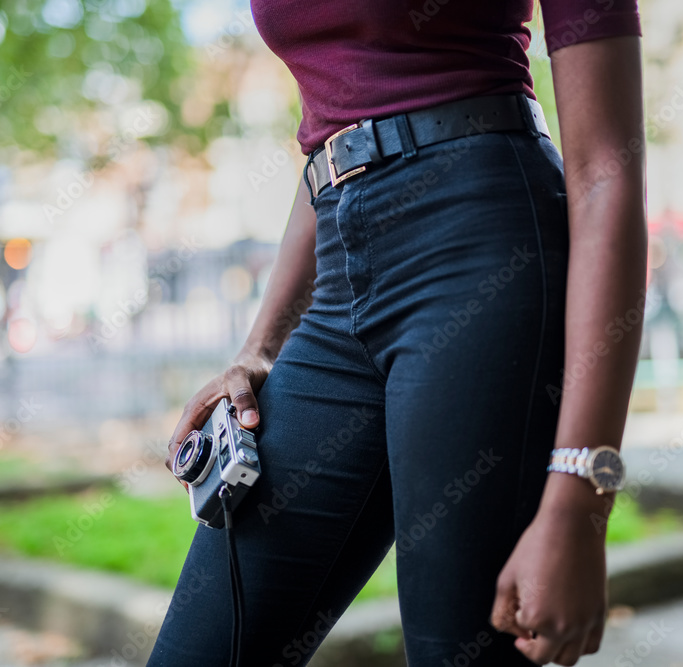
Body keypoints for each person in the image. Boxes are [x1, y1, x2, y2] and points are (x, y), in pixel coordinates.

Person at [149, 0, 647, 664]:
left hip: (480, 255)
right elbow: (336, 133)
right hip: (335, 284)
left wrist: (582, 492)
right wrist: (261, 346)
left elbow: (607, 169)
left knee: (461, 648)